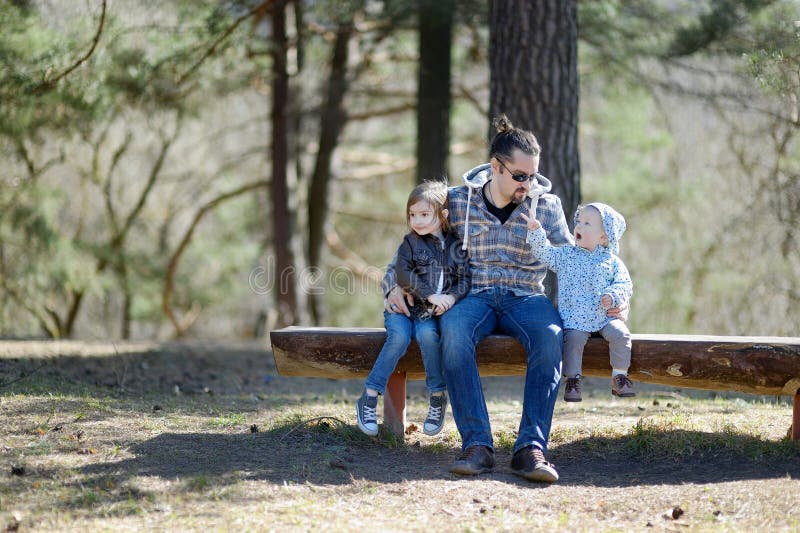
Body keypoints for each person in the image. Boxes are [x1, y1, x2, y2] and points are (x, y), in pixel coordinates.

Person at [384, 115, 628, 483]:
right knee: (453, 334)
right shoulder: (458, 200)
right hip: (472, 294)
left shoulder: (546, 207)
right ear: (495, 167)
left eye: (532, 176)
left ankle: (530, 448)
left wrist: (610, 297)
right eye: (519, 176)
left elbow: (578, 259)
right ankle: (477, 445)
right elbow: (415, 245)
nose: (527, 184)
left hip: (526, 296)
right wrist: (392, 283)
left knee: (550, 336)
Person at [357, 180, 471, 437]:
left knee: (427, 335)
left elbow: (465, 280)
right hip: (404, 309)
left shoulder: (457, 245)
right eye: (412, 215)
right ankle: (369, 396)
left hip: (426, 314)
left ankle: (437, 396)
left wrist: (450, 298)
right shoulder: (410, 243)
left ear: (443, 215)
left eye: (423, 214)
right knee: (398, 337)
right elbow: (398, 271)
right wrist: (397, 291)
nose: (417, 221)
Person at [521, 202, 634, 402]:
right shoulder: (566, 255)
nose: (579, 227)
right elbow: (545, 253)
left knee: (621, 334)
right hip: (575, 317)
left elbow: (625, 284)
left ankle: (619, 376)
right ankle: (572, 380)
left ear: (604, 236)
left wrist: (613, 295)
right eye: (579, 222)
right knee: (573, 341)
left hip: (604, 316)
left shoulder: (612, 262)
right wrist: (536, 231)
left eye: (587, 223)